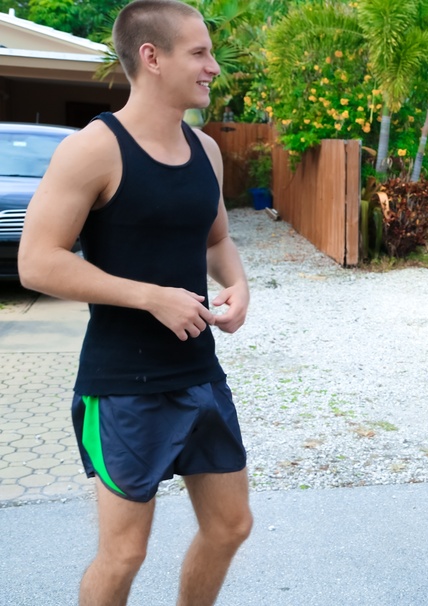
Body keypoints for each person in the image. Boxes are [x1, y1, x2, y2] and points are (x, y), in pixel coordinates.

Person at [18, 1, 252, 604]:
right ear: (152, 57)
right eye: (199, 52)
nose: (214, 66)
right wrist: (149, 298)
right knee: (124, 553)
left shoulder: (205, 150)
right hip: (122, 384)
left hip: (198, 373)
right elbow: (37, 261)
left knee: (230, 526)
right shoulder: (94, 149)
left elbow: (216, 239)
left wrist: (237, 284)